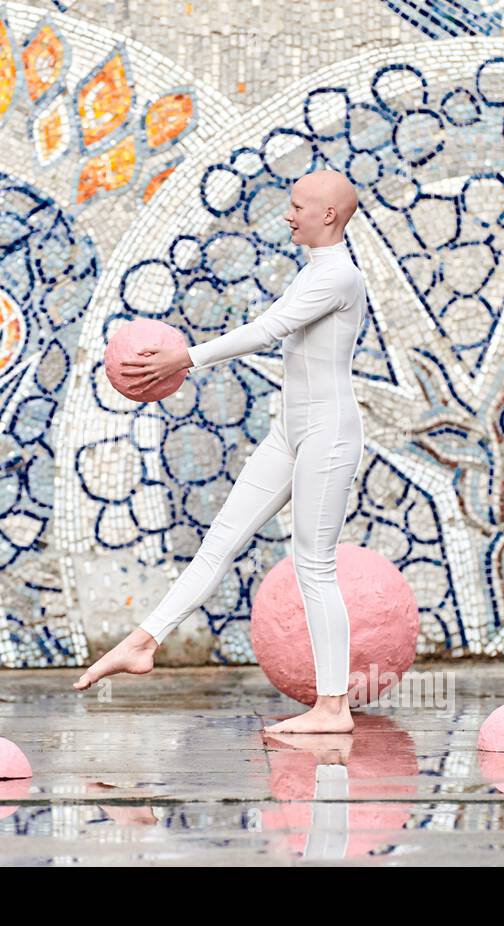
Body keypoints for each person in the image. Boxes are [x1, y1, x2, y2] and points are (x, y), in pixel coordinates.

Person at [72, 169, 368, 735]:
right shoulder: (315, 273)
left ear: (327, 215)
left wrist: (184, 359)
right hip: (292, 432)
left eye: (299, 205)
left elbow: (269, 328)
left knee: (314, 565)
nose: (289, 214)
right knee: (219, 542)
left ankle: (333, 708)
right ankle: (143, 641)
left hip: (329, 434)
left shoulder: (340, 278)